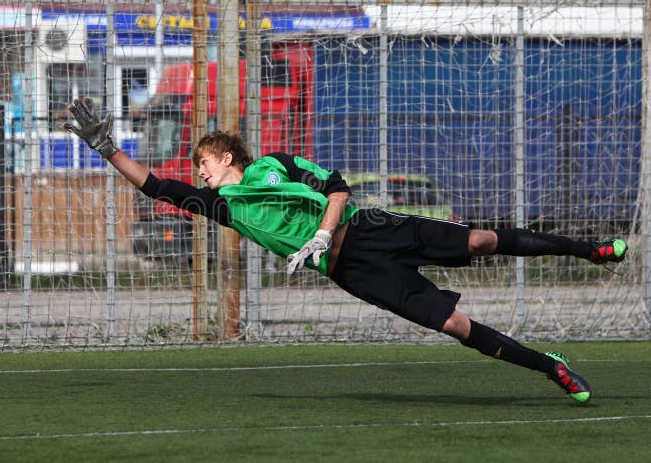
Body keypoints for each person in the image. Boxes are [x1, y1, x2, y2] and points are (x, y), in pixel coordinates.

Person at [64, 98, 627, 404]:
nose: (200, 174)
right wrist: (107, 148)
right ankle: (552, 367)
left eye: (204, 164)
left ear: (226, 156)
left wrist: (322, 231)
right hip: (353, 270)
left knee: (480, 240)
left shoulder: (276, 164)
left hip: (370, 228)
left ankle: (590, 250)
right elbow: (158, 187)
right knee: (454, 325)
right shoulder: (223, 206)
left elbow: (337, 187)